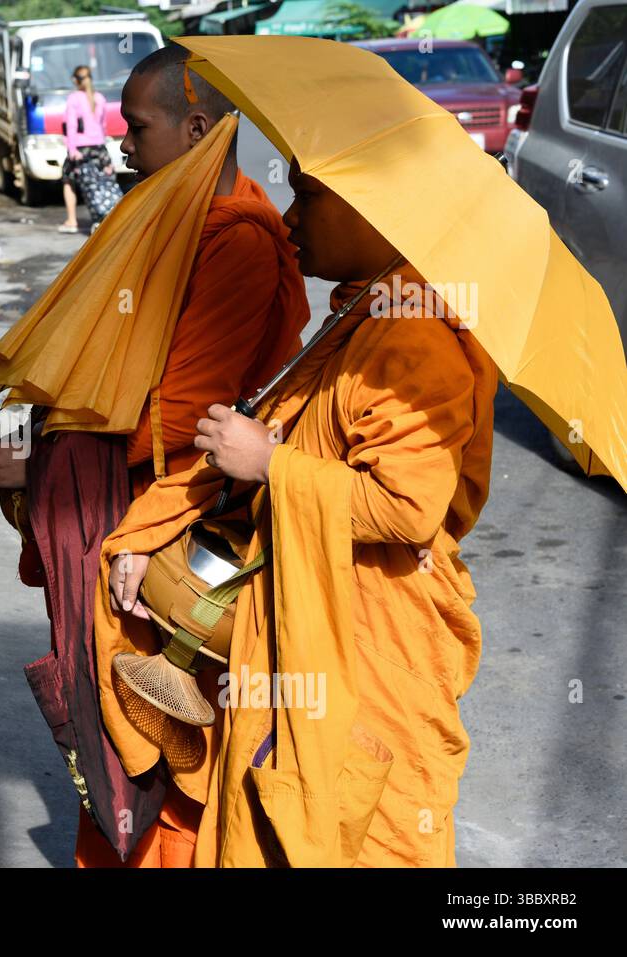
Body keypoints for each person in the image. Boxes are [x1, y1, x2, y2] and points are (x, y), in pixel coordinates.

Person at [101, 155, 498, 866]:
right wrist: (158, 520)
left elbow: (407, 509)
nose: (289, 220)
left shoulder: (415, 333)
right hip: (302, 621)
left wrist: (271, 463)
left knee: (363, 830)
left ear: (376, 208)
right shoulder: (362, 313)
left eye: (308, 198)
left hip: (369, 639)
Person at [0, 44, 311, 866]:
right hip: (126, 502)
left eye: (140, 125)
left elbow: (183, 414)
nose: (124, 143)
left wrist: (48, 465)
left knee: (161, 738)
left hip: (170, 522)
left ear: (196, 127)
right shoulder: (173, 218)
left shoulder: (236, 237)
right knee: (120, 718)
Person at [59, 65, 111, 233]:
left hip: (80, 149)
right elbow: (103, 126)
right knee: (101, 182)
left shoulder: (74, 98)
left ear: (75, 80)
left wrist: (71, 149)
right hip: (99, 148)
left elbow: (72, 126)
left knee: (69, 181)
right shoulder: (100, 98)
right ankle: (103, 216)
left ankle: (72, 220)